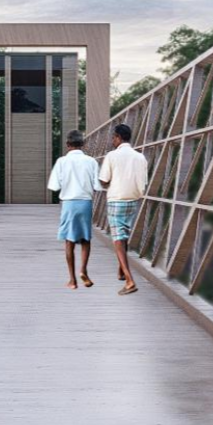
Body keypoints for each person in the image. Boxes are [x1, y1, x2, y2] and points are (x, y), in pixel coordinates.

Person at [97, 122, 150, 295]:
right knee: (124, 235)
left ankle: (129, 281)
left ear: (119, 137)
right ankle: (121, 270)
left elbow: (104, 180)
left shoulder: (112, 156)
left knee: (118, 239)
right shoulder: (140, 157)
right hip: (133, 200)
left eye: (113, 137)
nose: (112, 140)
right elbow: (144, 181)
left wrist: (108, 183)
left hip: (117, 200)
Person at [47, 129, 101, 288]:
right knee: (85, 239)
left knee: (69, 241)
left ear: (67, 144)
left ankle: (72, 280)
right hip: (85, 203)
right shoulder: (91, 161)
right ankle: (83, 270)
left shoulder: (62, 162)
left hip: (69, 203)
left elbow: (54, 186)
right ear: (83, 144)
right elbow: (98, 186)